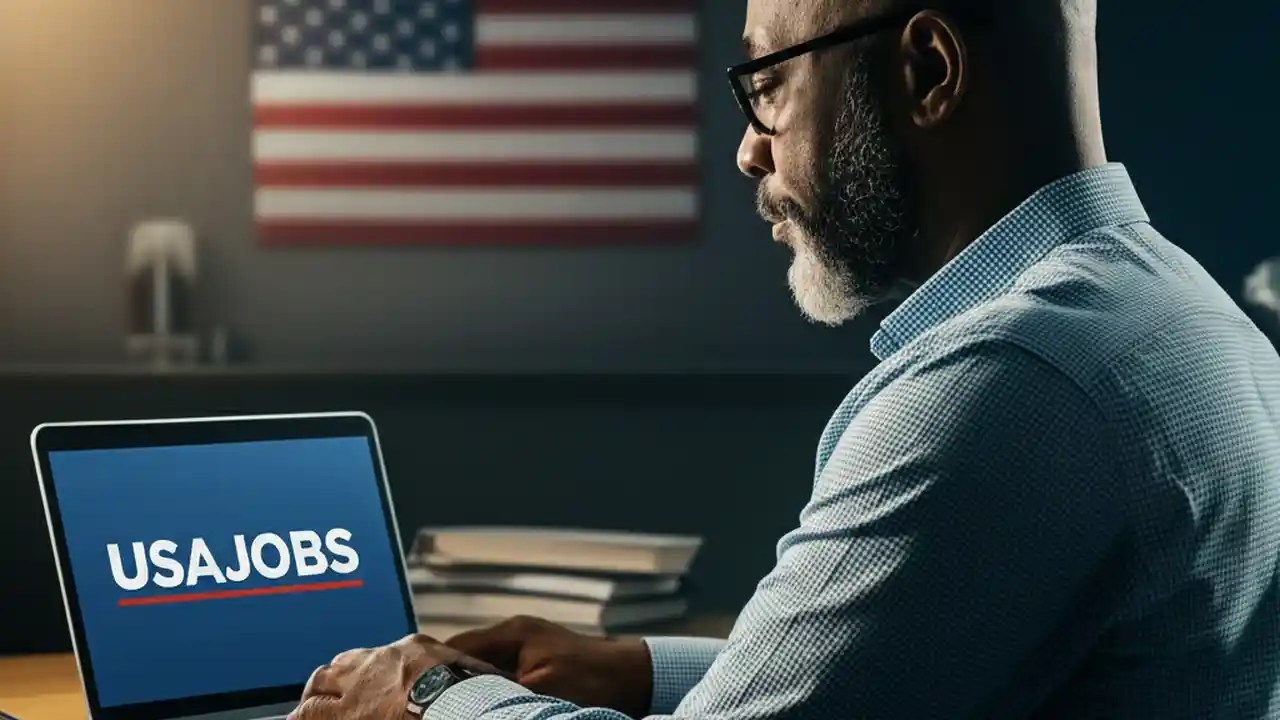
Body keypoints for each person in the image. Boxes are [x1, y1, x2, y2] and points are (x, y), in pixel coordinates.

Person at [289, 0, 1280, 717]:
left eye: (766, 84)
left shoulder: (1009, 379)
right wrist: (635, 670)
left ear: (927, 71)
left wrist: (429, 690)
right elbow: (940, 662)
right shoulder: (1185, 318)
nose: (747, 153)